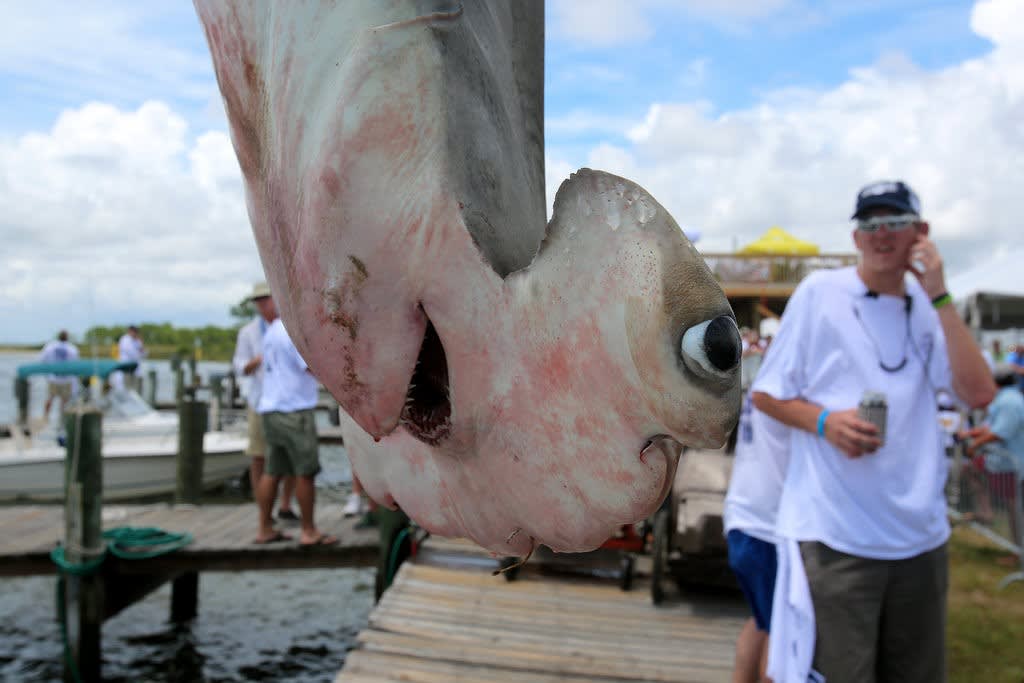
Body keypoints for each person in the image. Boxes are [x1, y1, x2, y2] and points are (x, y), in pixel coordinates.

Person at [752, 179, 995, 683]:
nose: (881, 233)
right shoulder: (821, 293)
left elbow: (979, 394)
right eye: (869, 223)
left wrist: (942, 296)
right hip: (835, 536)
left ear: (921, 233)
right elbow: (765, 392)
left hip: (920, 540)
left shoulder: (932, 307)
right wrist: (825, 422)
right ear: (856, 236)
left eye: (895, 222)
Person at [254, 312, 338, 546]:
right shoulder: (293, 330)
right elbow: (310, 367)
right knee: (306, 472)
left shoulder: (271, 330)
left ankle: (264, 528)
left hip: (270, 409)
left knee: (272, 471)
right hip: (295, 409)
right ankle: (309, 531)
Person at [724, 386, 790, 683]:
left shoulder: (768, 374)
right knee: (781, 632)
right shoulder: (791, 379)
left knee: (762, 622)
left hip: (744, 516)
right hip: (769, 526)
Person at [232, 282, 296, 522]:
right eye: (259, 301)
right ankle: (263, 509)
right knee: (259, 455)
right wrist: (258, 361)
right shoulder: (248, 333)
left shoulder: (289, 327)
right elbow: (240, 366)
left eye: (267, 299)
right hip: (260, 400)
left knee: (291, 456)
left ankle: (286, 505)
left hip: (288, 401)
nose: (263, 304)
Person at [957, 363, 1024, 540]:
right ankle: (986, 513)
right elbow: (994, 428)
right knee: (971, 470)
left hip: (1012, 464)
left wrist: (974, 444)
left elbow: (1000, 433)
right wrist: (970, 434)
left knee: (1014, 508)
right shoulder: (1006, 398)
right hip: (1002, 462)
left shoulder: (1009, 401)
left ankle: (1018, 549)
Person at [39, 330, 80, 421]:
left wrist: (47, 372)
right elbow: (76, 364)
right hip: (66, 379)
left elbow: (42, 360)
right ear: (67, 337)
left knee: (50, 398)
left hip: (53, 378)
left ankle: (45, 417)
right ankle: (62, 419)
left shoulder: (50, 347)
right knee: (64, 401)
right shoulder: (72, 348)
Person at [112, 325, 146, 391]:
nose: (135, 333)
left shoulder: (138, 341)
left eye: (136, 332)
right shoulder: (125, 339)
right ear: (130, 331)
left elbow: (144, 354)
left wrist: (141, 345)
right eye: (134, 331)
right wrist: (139, 353)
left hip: (136, 368)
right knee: (127, 387)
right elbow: (130, 352)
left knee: (137, 387)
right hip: (126, 367)